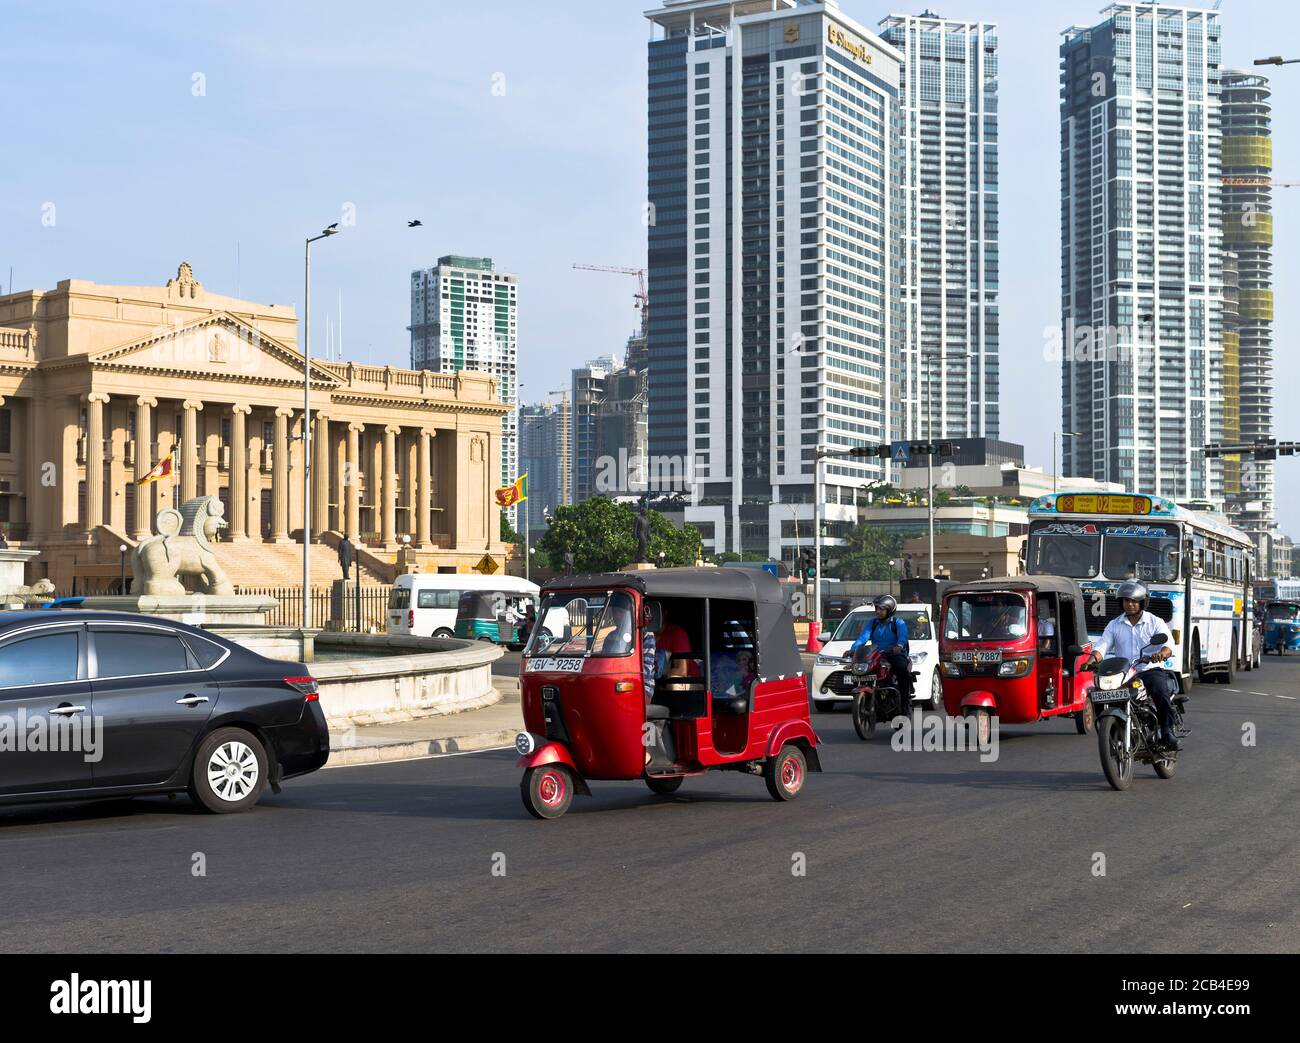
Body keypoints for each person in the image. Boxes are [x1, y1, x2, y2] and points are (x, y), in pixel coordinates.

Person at [1089, 580, 1180, 751]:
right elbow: (1102, 645)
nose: (1129, 604)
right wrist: (1091, 660)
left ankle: (1166, 731)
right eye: (1126, 601)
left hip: (1148, 670)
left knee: (1160, 691)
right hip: (1123, 674)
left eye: (1133, 601)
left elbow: (1169, 644)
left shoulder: (1155, 622)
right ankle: (1112, 731)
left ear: (1142, 602)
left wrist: (1161, 653)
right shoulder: (1114, 624)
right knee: (1099, 693)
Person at [849, 594, 913, 706]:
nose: (878, 611)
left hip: (895, 655)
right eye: (877, 609)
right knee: (861, 670)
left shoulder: (898, 623)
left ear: (889, 610)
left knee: (902, 670)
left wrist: (899, 646)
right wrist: (853, 649)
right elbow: (863, 638)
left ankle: (904, 703)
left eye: (881, 609)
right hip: (878, 656)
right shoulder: (872, 623)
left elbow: (903, 637)